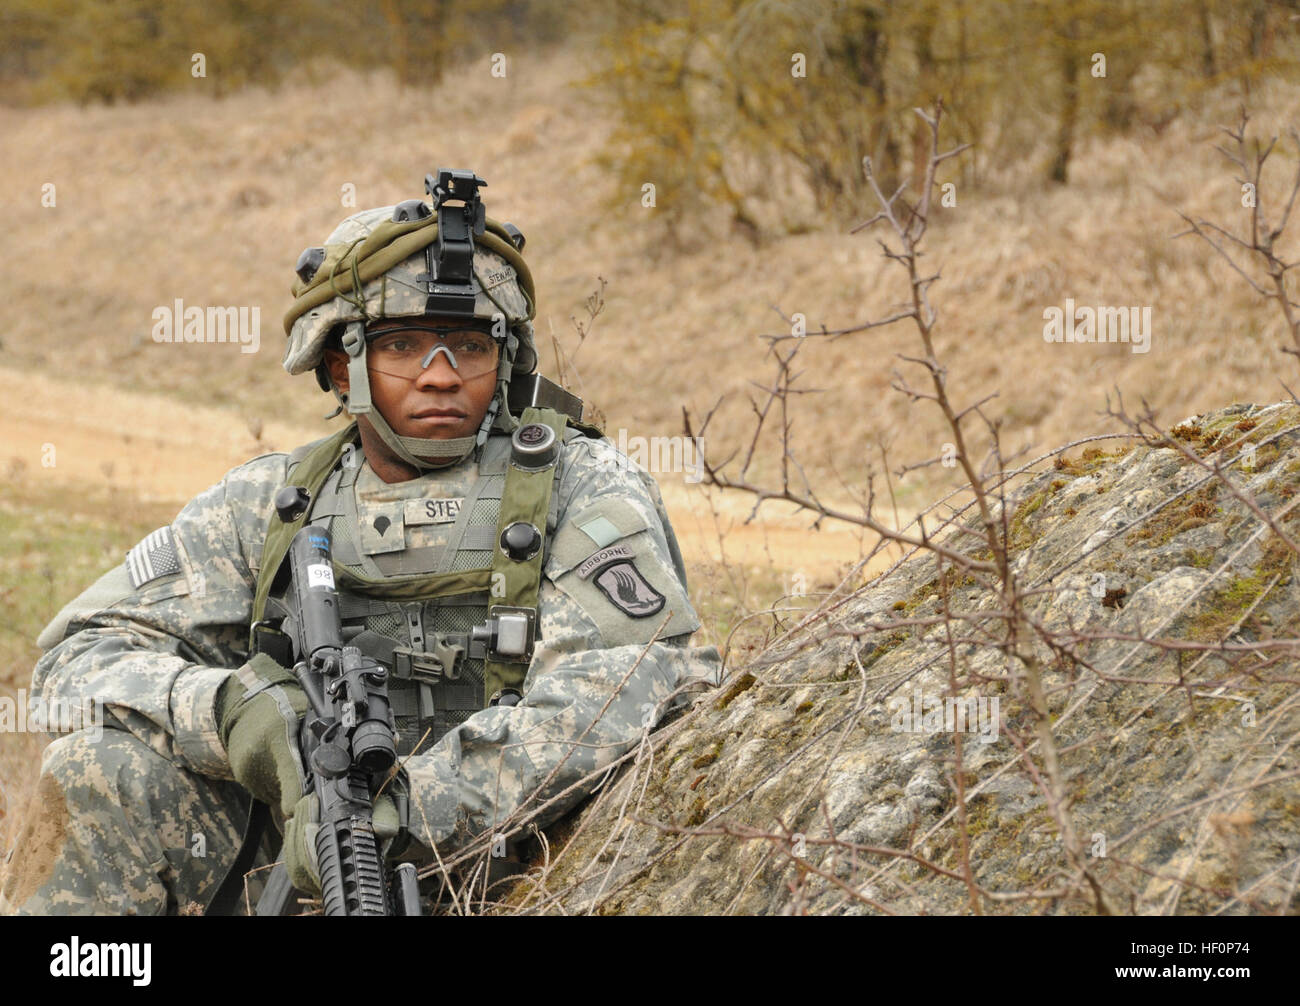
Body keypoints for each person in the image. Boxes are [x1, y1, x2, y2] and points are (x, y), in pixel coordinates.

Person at [0, 169, 720, 915]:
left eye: (468, 347)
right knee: (97, 767)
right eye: (405, 345)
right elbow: (74, 662)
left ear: (504, 363)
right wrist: (232, 716)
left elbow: (628, 685)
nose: (441, 377)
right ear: (342, 365)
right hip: (296, 858)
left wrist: (416, 806)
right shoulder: (273, 504)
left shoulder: (578, 483)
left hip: (518, 859)